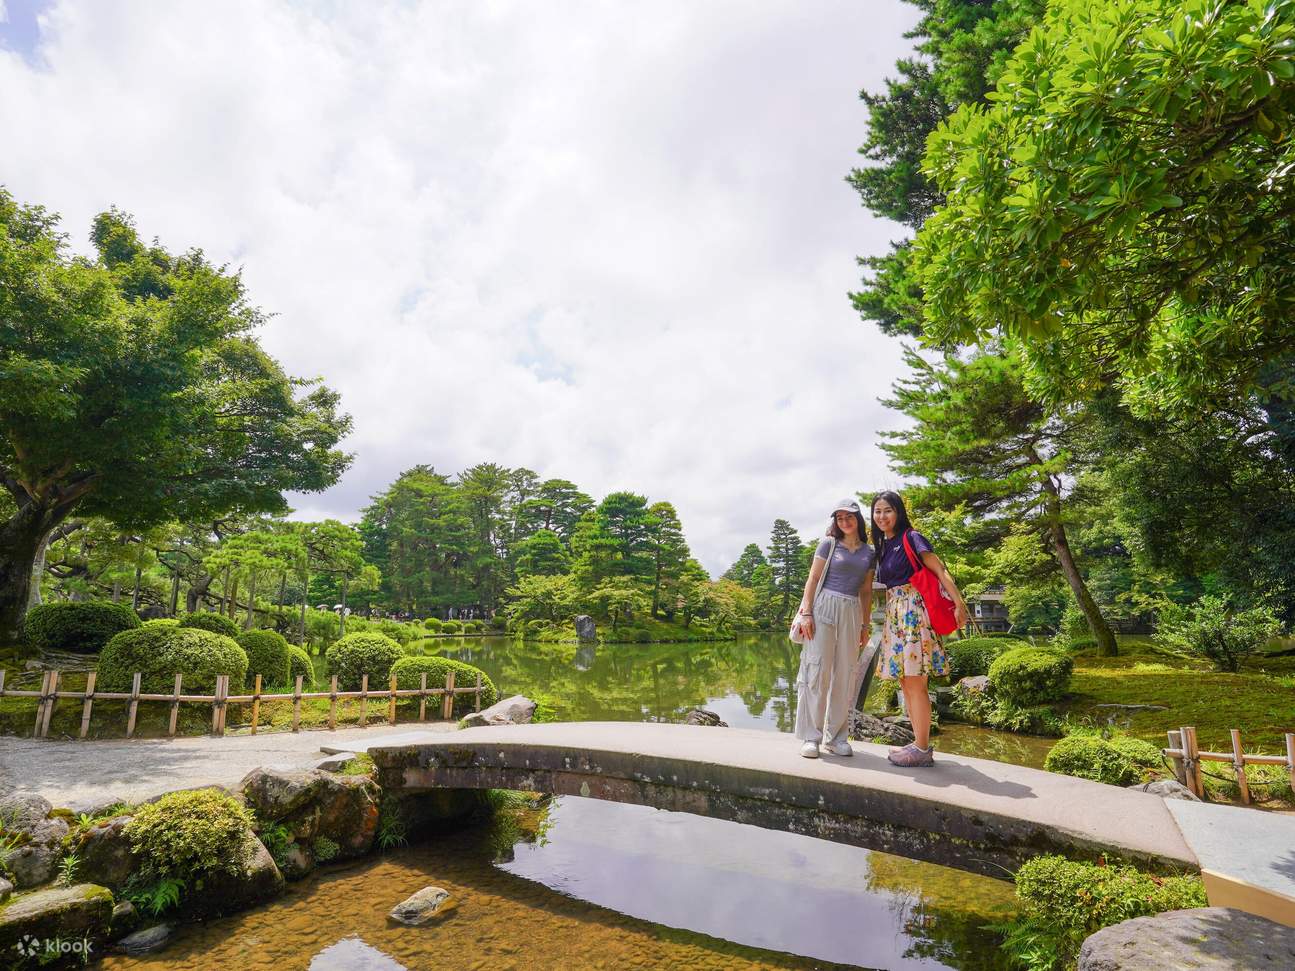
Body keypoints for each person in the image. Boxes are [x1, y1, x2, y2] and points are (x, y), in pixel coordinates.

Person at [870, 491, 969, 767]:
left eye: (887, 510)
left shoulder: (911, 537)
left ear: (898, 512)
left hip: (914, 612)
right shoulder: (884, 546)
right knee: (905, 681)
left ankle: (923, 749)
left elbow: (940, 570)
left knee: (916, 683)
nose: (882, 516)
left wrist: (959, 604)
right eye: (877, 511)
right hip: (896, 615)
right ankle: (917, 743)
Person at [793, 499, 876, 759]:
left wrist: (865, 624)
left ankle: (837, 737)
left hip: (851, 609)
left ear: (858, 519)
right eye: (839, 518)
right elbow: (813, 578)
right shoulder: (828, 544)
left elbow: (865, 591)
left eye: (849, 517)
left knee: (846, 673)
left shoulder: (869, 552)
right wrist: (806, 613)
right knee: (817, 670)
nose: (844, 521)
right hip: (823, 607)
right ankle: (812, 737)